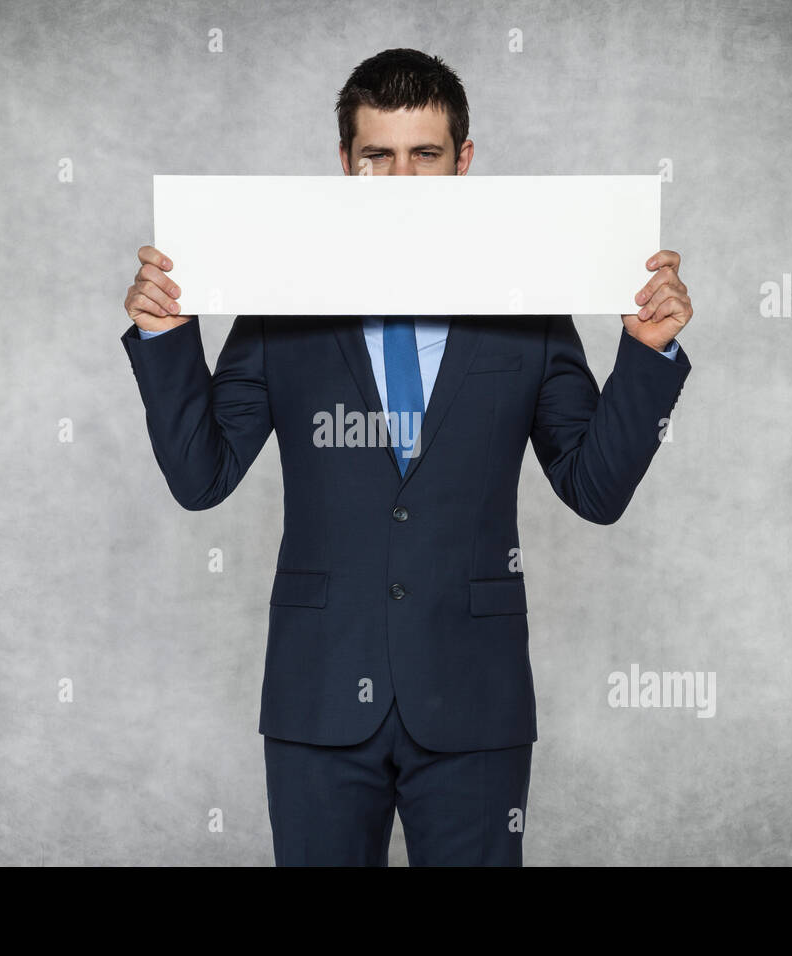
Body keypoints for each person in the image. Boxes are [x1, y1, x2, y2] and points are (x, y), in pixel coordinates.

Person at [119, 48, 693, 866]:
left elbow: (595, 487)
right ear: (345, 167)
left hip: (475, 701)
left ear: (463, 163)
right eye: (376, 158)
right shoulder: (284, 305)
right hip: (318, 696)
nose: (399, 180)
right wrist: (165, 335)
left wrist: (645, 353)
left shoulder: (526, 305)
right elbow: (200, 477)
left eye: (425, 155)